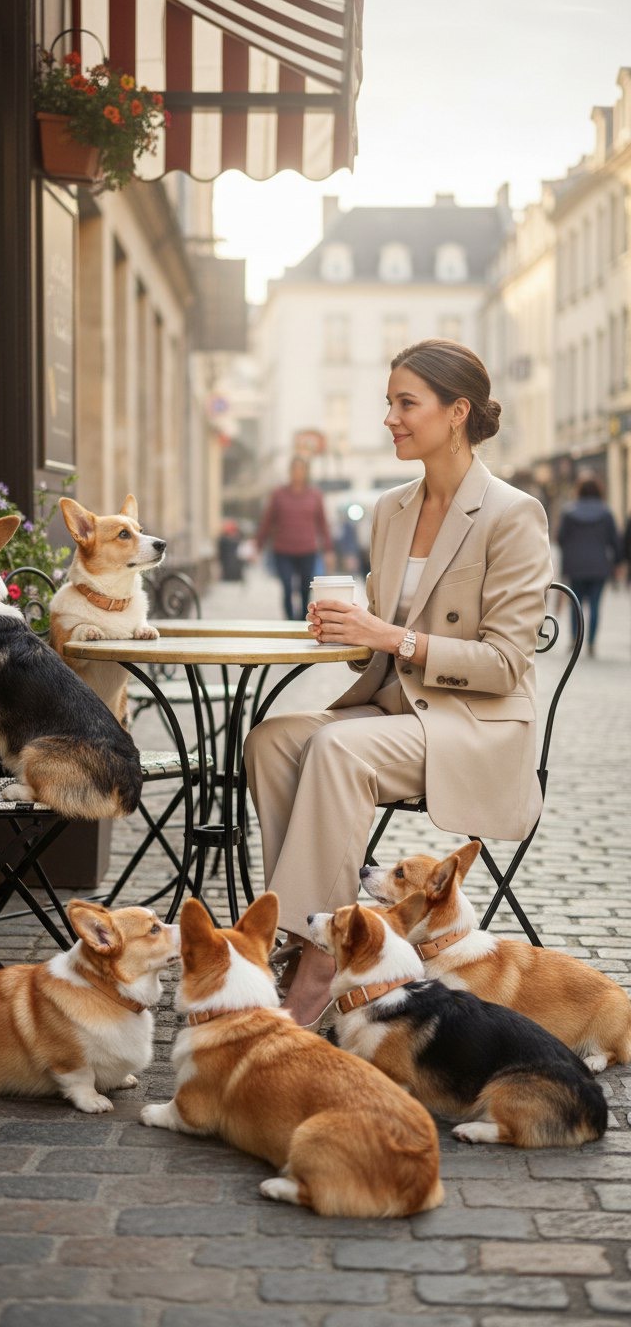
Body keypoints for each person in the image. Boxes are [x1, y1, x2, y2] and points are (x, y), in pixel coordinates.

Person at [244, 339, 553, 1029]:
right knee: (270, 740)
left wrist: (389, 636)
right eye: (390, 403)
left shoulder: (512, 515)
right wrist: (353, 635)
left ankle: (322, 967)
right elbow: (380, 647)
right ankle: (302, 938)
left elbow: (505, 662)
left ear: (456, 412)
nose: (390, 417)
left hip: (473, 726)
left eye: (405, 403)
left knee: (337, 752)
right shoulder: (390, 509)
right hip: (394, 711)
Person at [255, 456, 333, 620]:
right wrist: (257, 545)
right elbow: (267, 521)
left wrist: (328, 550)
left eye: (300, 469)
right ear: (290, 472)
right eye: (294, 469)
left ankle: (302, 620)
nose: (297, 473)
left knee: (305, 587)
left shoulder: (315, 495)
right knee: (287, 587)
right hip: (283, 550)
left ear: (305, 472)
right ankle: (289, 620)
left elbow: (323, 524)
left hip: (307, 550)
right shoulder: (278, 494)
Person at [557, 473, 621, 656]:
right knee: (594, 605)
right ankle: (591, 643)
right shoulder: (606, 512)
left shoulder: (569, 512)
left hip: (575, 565)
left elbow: (560, 538)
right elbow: (614, 540)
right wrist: (617, 562)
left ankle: (574, 640)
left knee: (575, 604)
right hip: (599, 566)